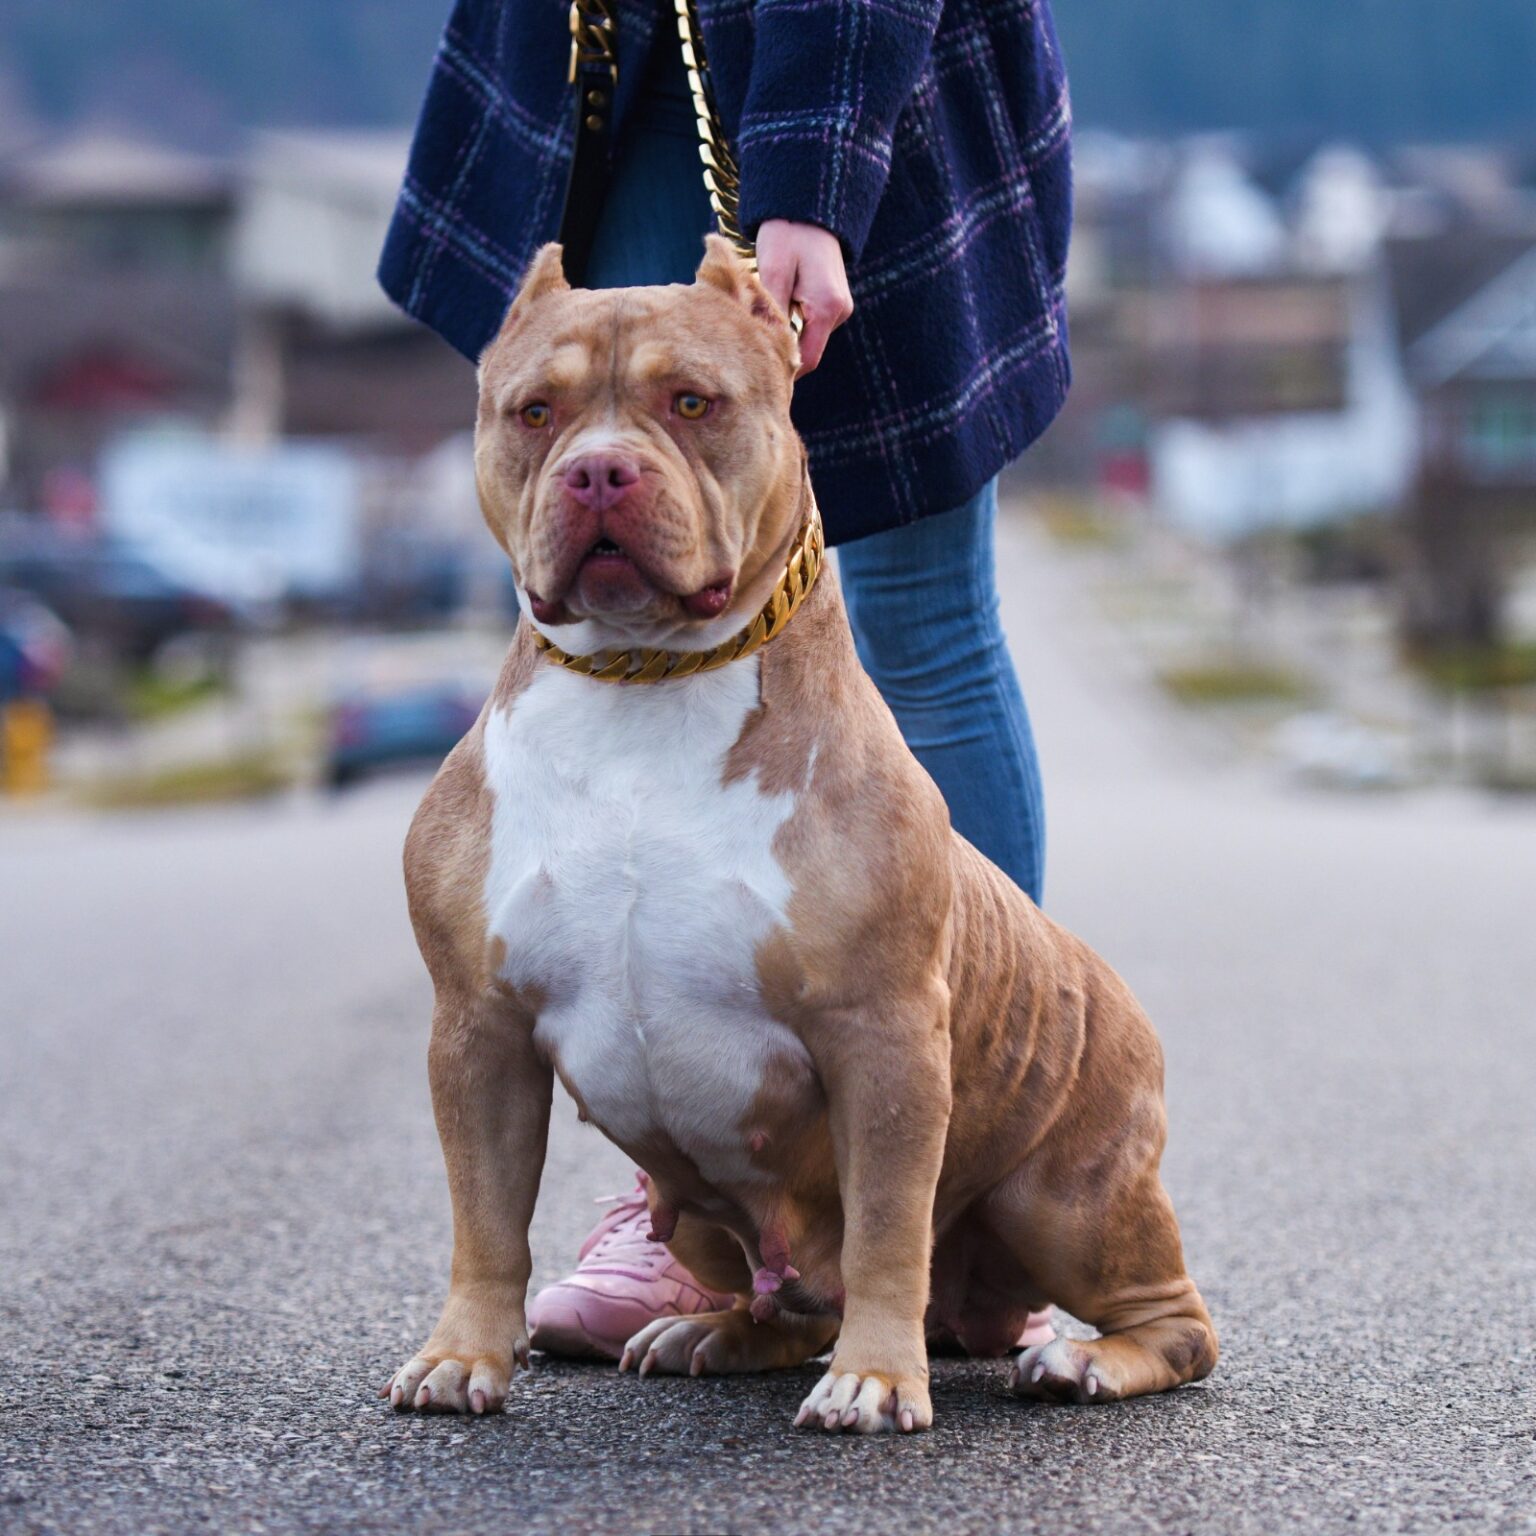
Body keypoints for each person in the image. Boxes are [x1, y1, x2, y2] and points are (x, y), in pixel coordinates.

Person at [380, 0, 1072, 1361]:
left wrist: (816, 175)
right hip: (596, 50)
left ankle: (951, 1183)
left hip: (854, 67)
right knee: (615, 516)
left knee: (922, 614)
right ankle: (701, 1202)